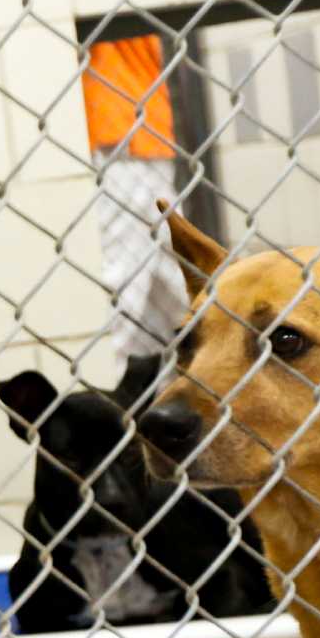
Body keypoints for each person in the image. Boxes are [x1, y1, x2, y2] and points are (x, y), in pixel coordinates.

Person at [81, 35, 190, 394]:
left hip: (118, 131)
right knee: (169, 290)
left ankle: (114, 414)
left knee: (122, 288)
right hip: (137, 127)